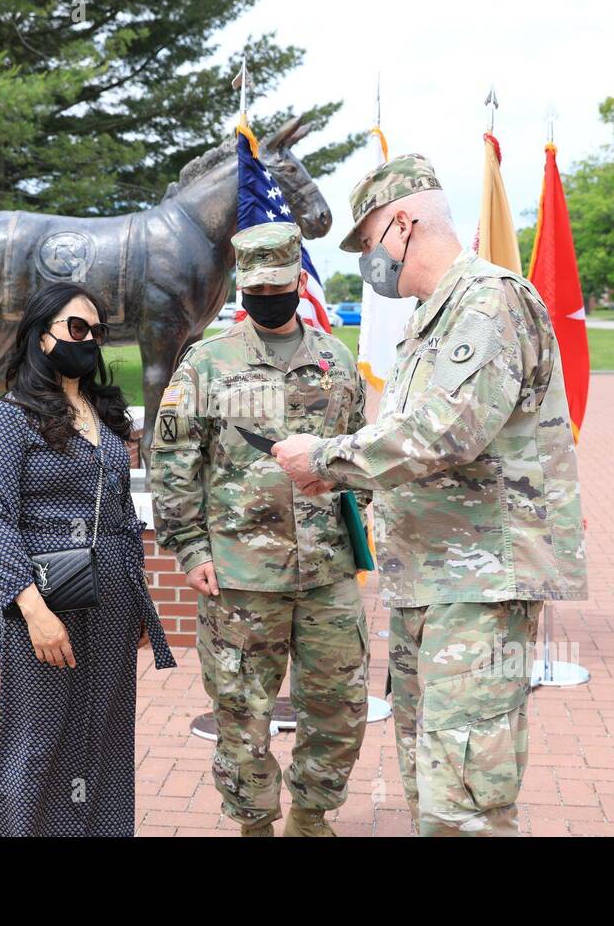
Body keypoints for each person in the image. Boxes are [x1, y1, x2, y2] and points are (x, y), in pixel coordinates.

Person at [272, 155, 589, 836]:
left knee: (463, 802)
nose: (367, 261)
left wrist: (327, 457)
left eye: (367, 242)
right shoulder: (432, 318)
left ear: (404, 223)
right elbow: (410, 438)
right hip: (432, 583)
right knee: (430, 784)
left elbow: (446, 432)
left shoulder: (487, 301)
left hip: (477, 587)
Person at [149, 222, 370, 837]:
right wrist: (190, 547)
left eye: (279, 285)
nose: (268, 295)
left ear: (300, 282)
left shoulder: (334, 359)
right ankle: (253, 823)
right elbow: (170, 461)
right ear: (240, 289)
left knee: (339, 708)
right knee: (241, 713)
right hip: (241, 577)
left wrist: (361, 503)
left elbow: (360, 450)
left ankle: (309, 815)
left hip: (328, 573)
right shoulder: (208, 363)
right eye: (256, 288)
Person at [0, 282, 175, 837]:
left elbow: (121, 510)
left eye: (97, 331)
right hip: (43, 599)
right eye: (77, 329)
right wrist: (33, 611)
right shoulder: (8, 418)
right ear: (43, 339)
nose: (89, 340)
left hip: (110, 599)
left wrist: (139, 601)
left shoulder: (104, 412)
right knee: (37, 737)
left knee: (106, 735)